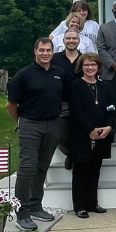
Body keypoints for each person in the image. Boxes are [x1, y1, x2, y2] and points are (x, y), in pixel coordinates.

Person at [6, 38, 66, 231]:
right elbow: (10, 105)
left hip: (53, 124)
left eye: (48, 50)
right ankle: (22, 213)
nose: (45, 53)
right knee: (27, 167)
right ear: (35, 51)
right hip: (31, 125)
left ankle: (35, 206)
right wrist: (22, 123)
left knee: (42, 167)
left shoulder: (59, 73)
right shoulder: (23, 75)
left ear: (53, 52)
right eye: (42, 50)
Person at [67, 53, 116, 219]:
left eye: (93, 65)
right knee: (81, 171)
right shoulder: (76, 86)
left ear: (98, 67)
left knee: (95, 170)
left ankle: (92, 203)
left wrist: (109, 126)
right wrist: (90, 129)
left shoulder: (105, 87)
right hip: (81, 135)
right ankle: (80, 206)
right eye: (86, 65)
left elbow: (111, 108)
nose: (90, 68)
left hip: (101, 135)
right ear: (81, 67)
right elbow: (76, 110)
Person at [50, 30, 82, 170]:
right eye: (68, 38)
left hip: (80, 103)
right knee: (60, 134)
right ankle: (72, 154)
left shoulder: (84, 59)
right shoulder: (55, 58)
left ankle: (76, 157)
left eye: (74, 38)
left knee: (79, 133)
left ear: (78, 41)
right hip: (60, 102)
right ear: (63, 41)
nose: (71, 41)